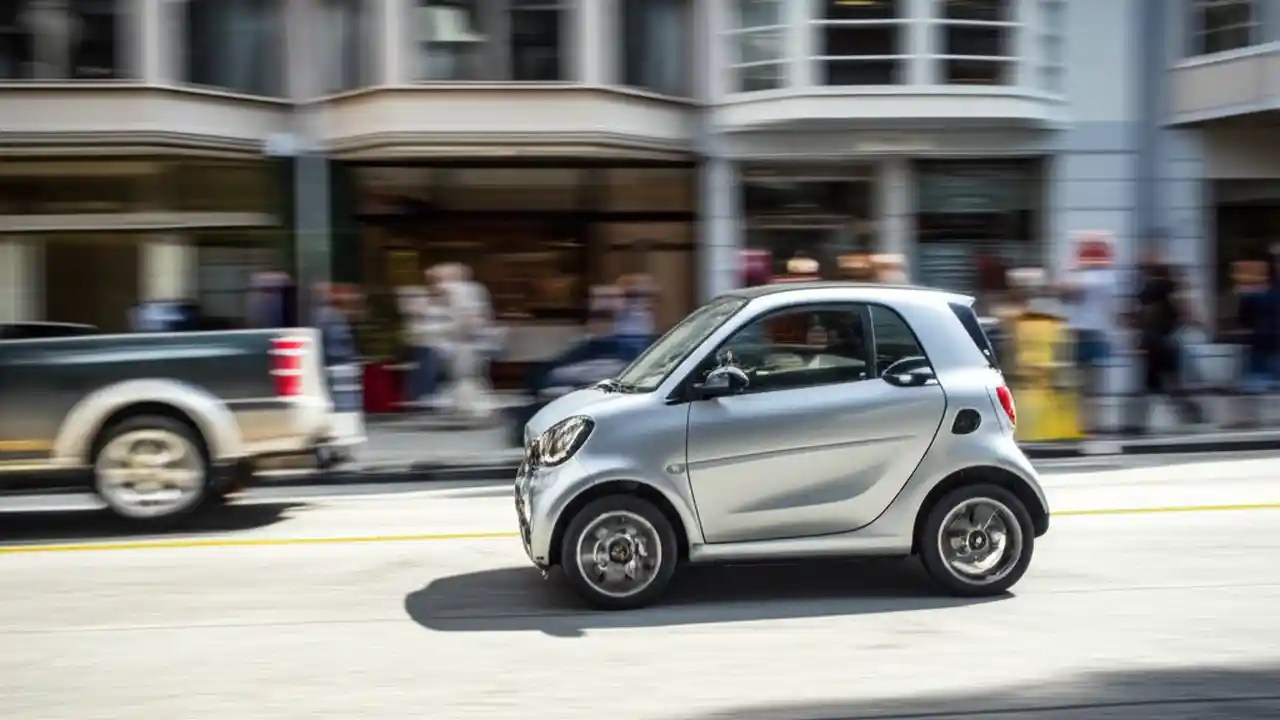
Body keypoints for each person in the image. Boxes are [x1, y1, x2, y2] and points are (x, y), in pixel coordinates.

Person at [1125, 252, 1203, 434]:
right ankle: (1191, 414)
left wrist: (1135, 335)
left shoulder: (1150, 292)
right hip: (1166, 342)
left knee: (1151, 385)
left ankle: (1138, 424)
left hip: (1154, 343)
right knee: (1168, 384)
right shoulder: (1170, 290)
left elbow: (1139, 318)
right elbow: (1186, 314)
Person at [397, 267, 456, 410]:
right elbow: (414, 314)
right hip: (423, 345)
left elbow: (454, 323)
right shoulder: (415, 294)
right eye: (438, 279)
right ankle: (420, 401)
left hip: (445, 347)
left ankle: (433, 400)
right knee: (425, 372)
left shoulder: (449, 300)